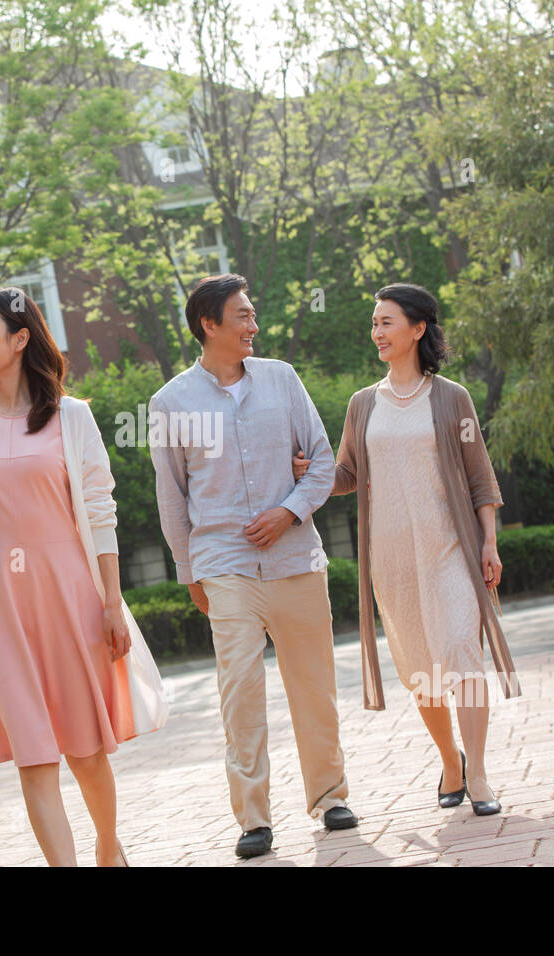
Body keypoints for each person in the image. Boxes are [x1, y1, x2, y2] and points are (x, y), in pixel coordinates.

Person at [0, 286, 168, 867]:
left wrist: (113, 603)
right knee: (35, 756)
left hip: (69, 596)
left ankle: (107, 846)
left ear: (19, 339)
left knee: (86, 747)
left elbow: (99, 512)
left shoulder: (72, 419)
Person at [149, 273, 357, 860]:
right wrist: (189, 572)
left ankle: (330, 796)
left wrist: (288, 513)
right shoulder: (170, 403)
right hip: (225, 564)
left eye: (253, 314)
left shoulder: (282, 379)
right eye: (241, 315)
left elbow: (321, 462)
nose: (253, 325)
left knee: (312, 685)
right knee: (239, 690)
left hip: (295, 559)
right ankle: (253, 820)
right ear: (208, 324)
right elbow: (172, 495)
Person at [295, 282, 521, 816]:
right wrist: (313, 472)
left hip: (451, 551)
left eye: (386, 322)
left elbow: (480, 477)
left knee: (463, 654)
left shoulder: (452, 398)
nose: (376, 332)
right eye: (374, 324)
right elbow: (348, 474)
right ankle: (450, 760)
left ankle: (481, 774)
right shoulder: (363, 404)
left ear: (418, 329)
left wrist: (488, 542)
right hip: (391, 556)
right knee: (420, 668)